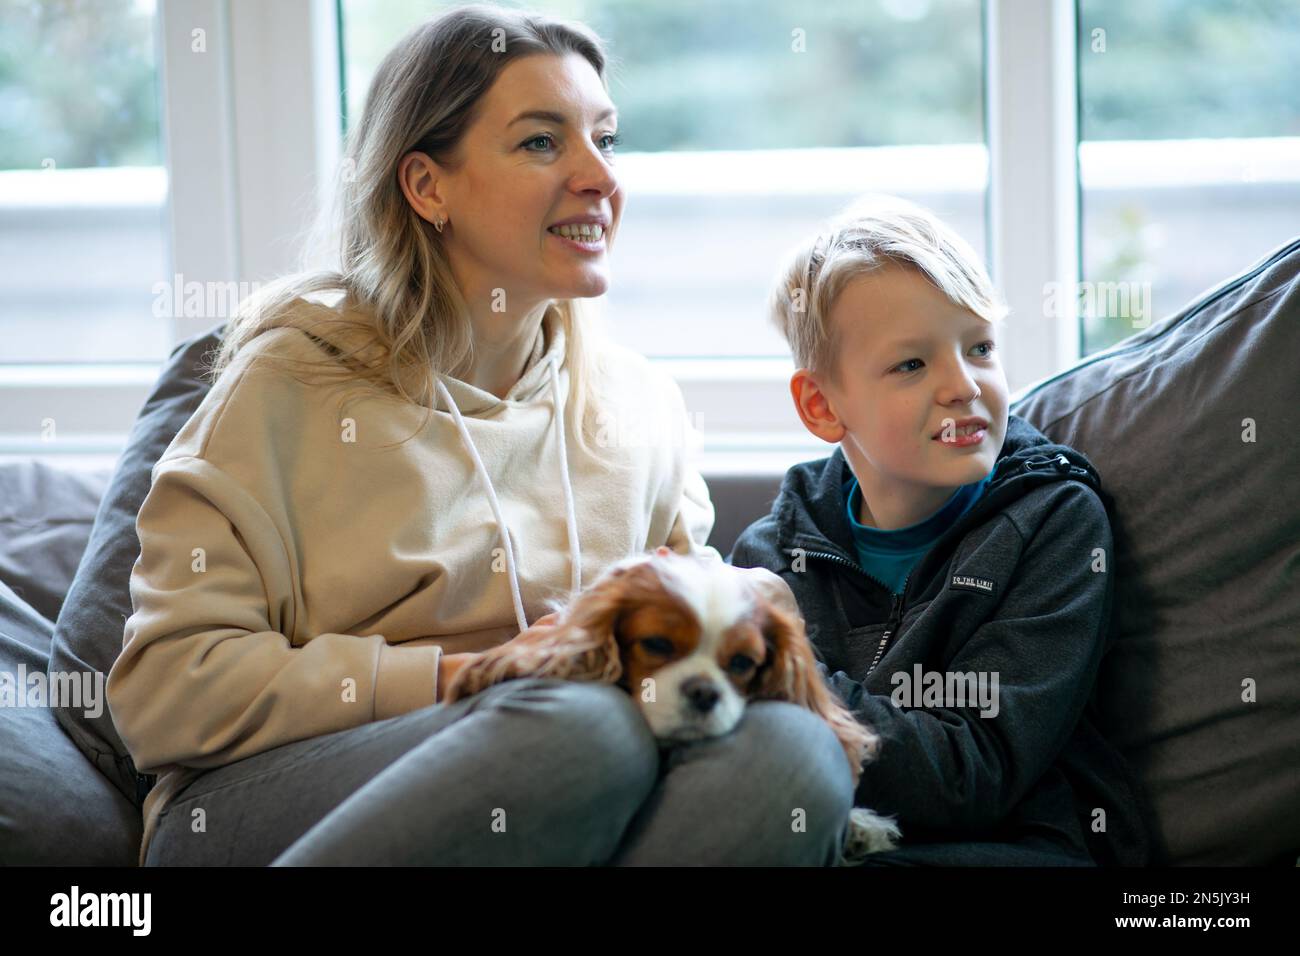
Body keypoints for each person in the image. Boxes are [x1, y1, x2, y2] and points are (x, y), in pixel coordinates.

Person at [106, 3, 854, 867]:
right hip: (264, 799)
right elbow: (166, 693)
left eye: (605, 140)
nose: (599, 178)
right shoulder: (289, 384)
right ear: (427, 186)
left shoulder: (641, 405)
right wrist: (462, 678)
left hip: (564, 769)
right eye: (543, 142)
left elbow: (694, 652)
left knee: (794, 755)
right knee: (583, 726)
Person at [728, 195, 1154, 866]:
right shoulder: (773, 556)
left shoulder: (1052, 522)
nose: (964, 385)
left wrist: (796, 670)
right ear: (822, 405)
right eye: (912, 364)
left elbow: (973, 776)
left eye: (979, 348)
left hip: (1025, 846)